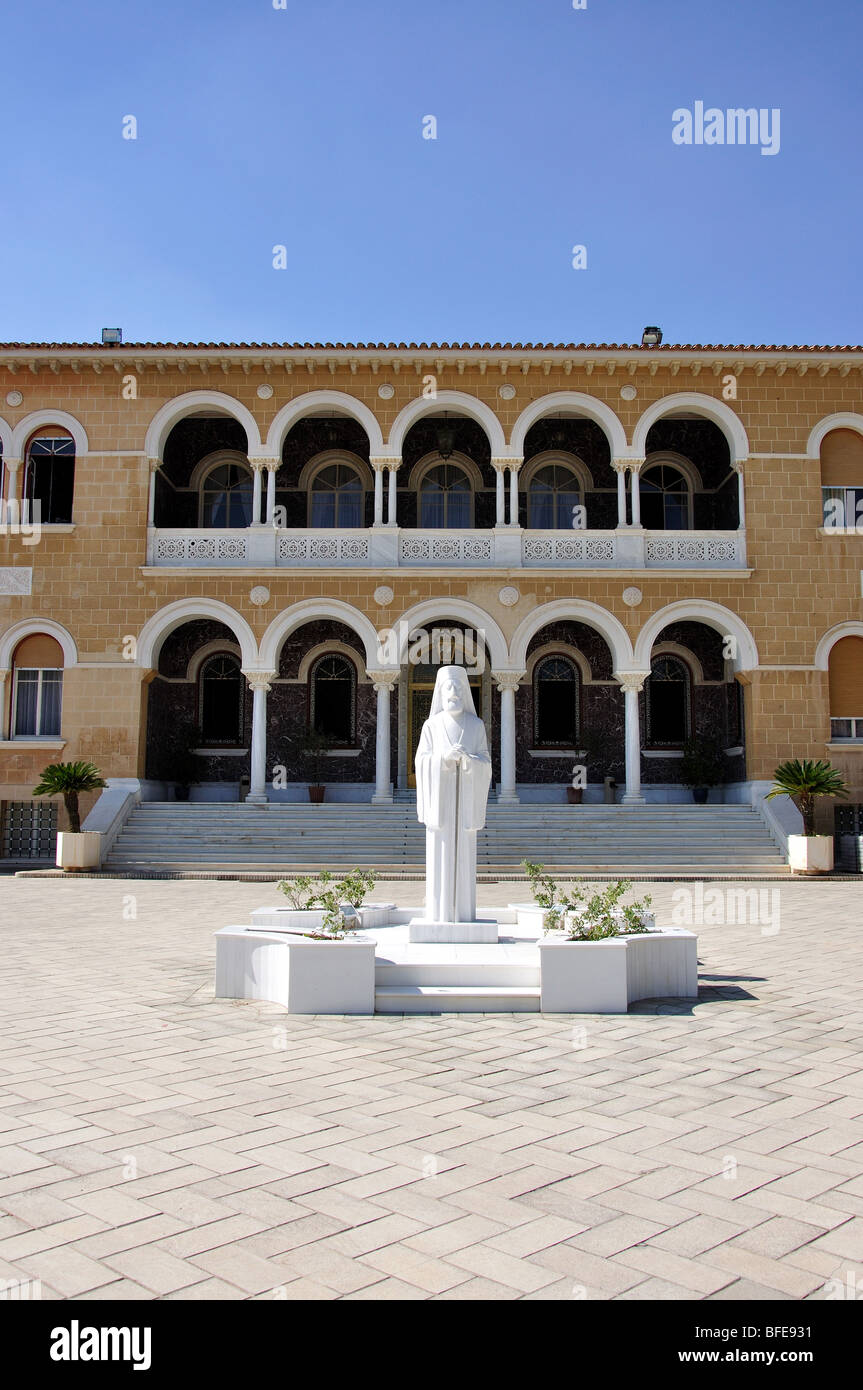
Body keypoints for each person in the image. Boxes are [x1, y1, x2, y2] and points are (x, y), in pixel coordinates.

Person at [415, 665, 492, 923]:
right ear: (440, 691)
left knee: (464, 858)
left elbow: (485, 760)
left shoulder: (476, 725)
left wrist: (469, 761)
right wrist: (443, 760)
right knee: (440, 855)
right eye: (449, 687)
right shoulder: (431, 725)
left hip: (465, 801)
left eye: (459, 687)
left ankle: (464, 912)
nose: (454, 692)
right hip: (442, 801)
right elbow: (421, 760)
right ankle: (438, 913)